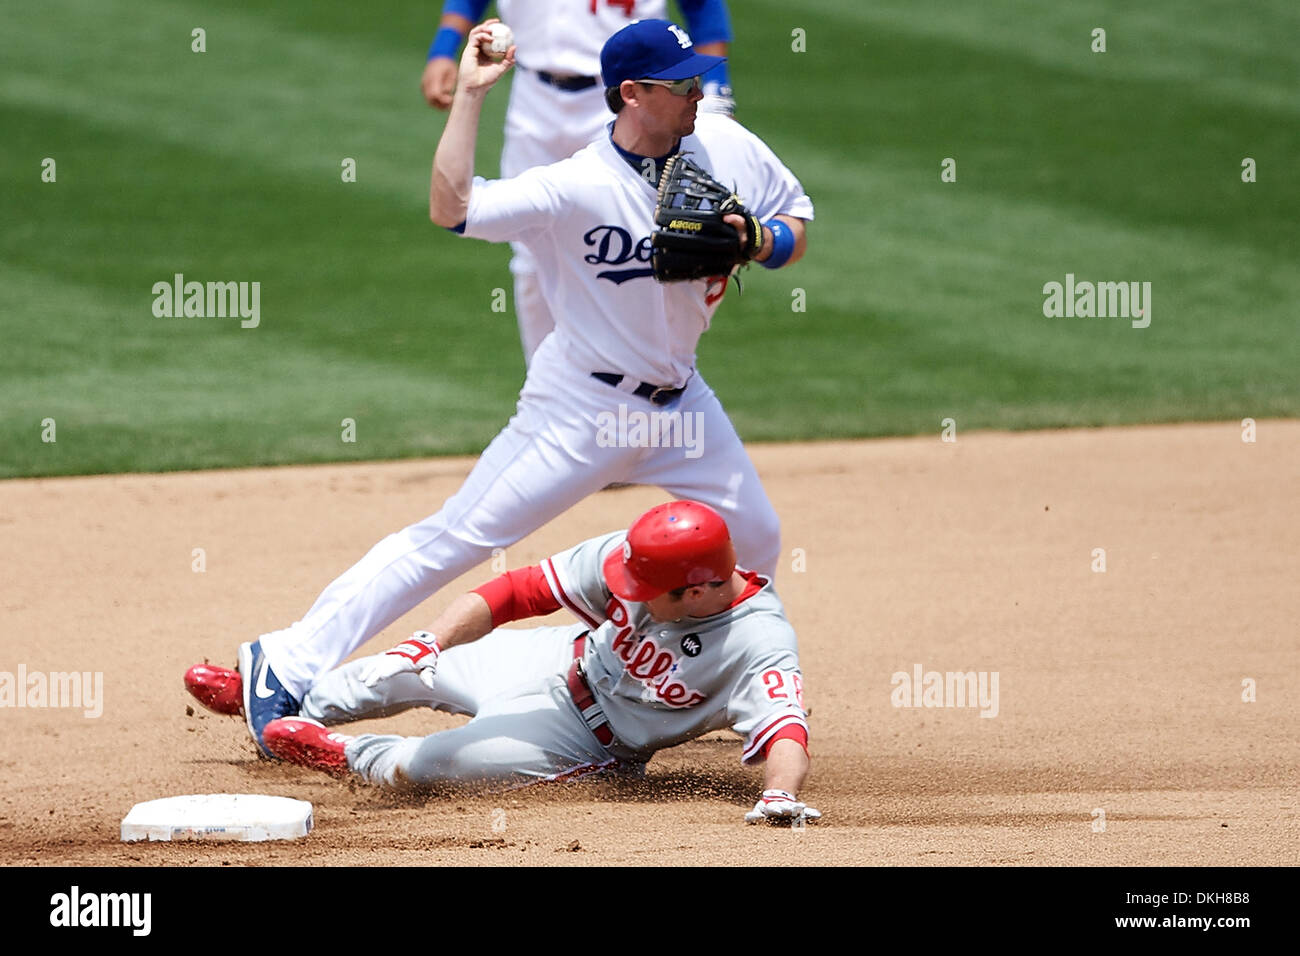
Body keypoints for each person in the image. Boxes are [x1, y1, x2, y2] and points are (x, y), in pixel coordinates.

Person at [193, 18, 813, 763]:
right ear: (632, 95)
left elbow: (796, 219)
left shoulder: (723, 142)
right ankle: (285, 661)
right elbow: (452, 209)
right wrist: (473, 97)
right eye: (680, 85)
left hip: (684, 403)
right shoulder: (574, 184)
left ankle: (704, 675)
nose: (697, 92)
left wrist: (759, 241)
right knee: (457, 537)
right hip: (581, 408)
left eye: (695, 80)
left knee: (759, 537)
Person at [189, 502, 821, 824]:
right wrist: (432, 640)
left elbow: (786, 728)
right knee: (395, 670)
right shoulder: (642, 556)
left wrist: (779, 797)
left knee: (426, 765)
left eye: (643, 588)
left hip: (582, 738)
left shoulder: (756, 639)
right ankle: (271, 704)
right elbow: (517, 591)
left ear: (701, 590)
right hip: (549, 659)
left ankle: (344, 754)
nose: (626, 589)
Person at [421, 0, 736, 365]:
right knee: (529, 251)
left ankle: (650, 374)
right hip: (533, 95)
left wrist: (716, 86)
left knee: (634, 244)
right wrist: (444, 46)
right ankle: (550, 384)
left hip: (630, 99)